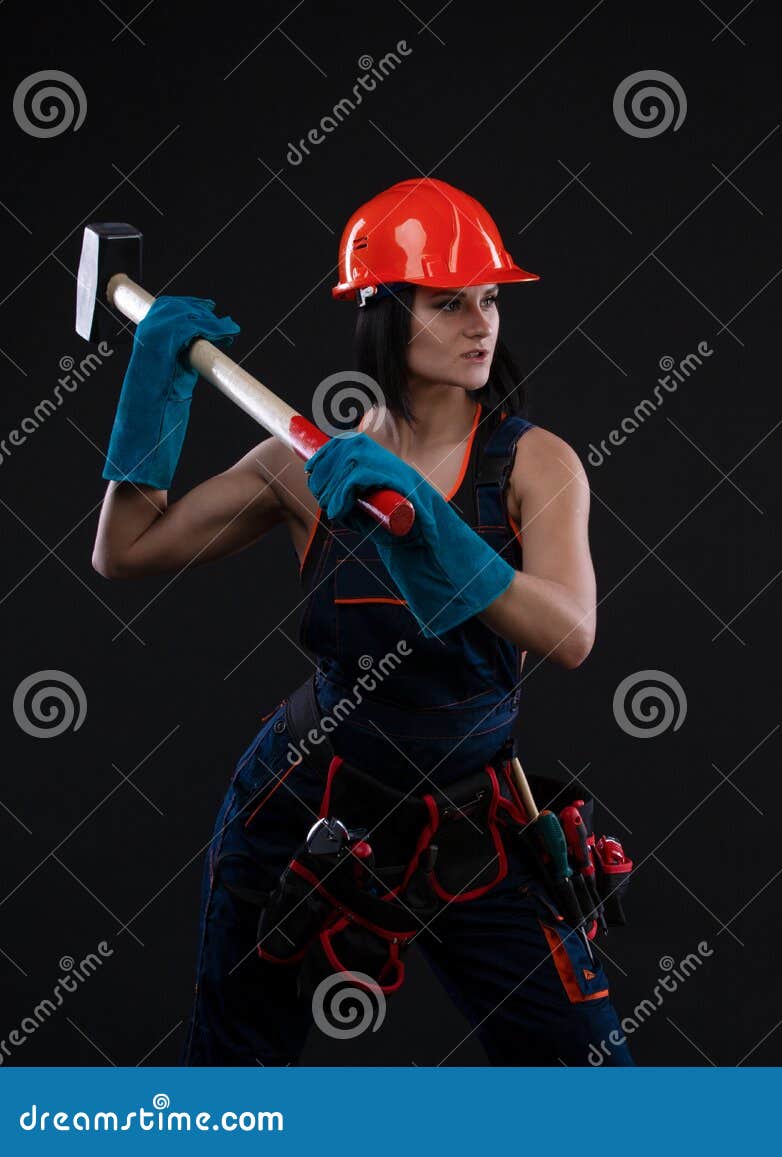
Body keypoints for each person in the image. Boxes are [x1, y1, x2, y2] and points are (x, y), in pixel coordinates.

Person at [90, 177, 632, 1065]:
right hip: (305, 806)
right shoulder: (305, 468)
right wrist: (153, 396)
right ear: (383, 312)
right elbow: (126, 550)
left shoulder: (540, 463)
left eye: (489, 300)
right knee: (232, 1074)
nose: (481, 324)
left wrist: (439, 527)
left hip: (470, 821)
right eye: (449, 302)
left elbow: (569, 631)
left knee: (591, 1081)